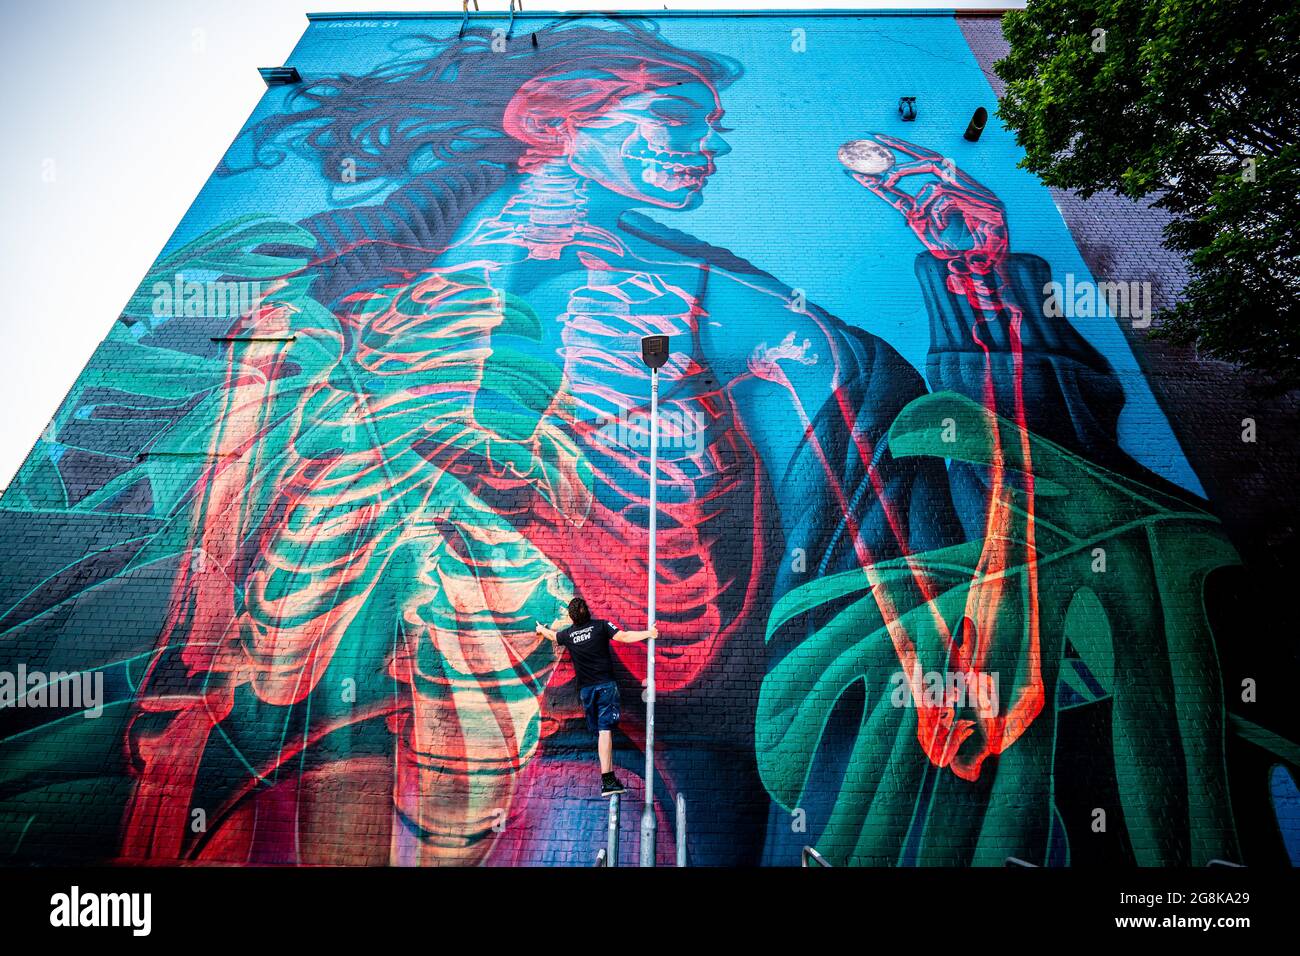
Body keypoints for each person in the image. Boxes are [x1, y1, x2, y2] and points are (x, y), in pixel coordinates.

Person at [537, 597, 657, 796]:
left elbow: (553, 636)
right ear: (587, 611)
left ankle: (608, 780)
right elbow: (624, 636)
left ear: (571, 616)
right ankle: (608, 781)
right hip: (605, 688)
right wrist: (650, 633)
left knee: (601, 732)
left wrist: (541, 629)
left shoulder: (569, 635)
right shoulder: (601, 626)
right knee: (605, 732)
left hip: (587, 692)